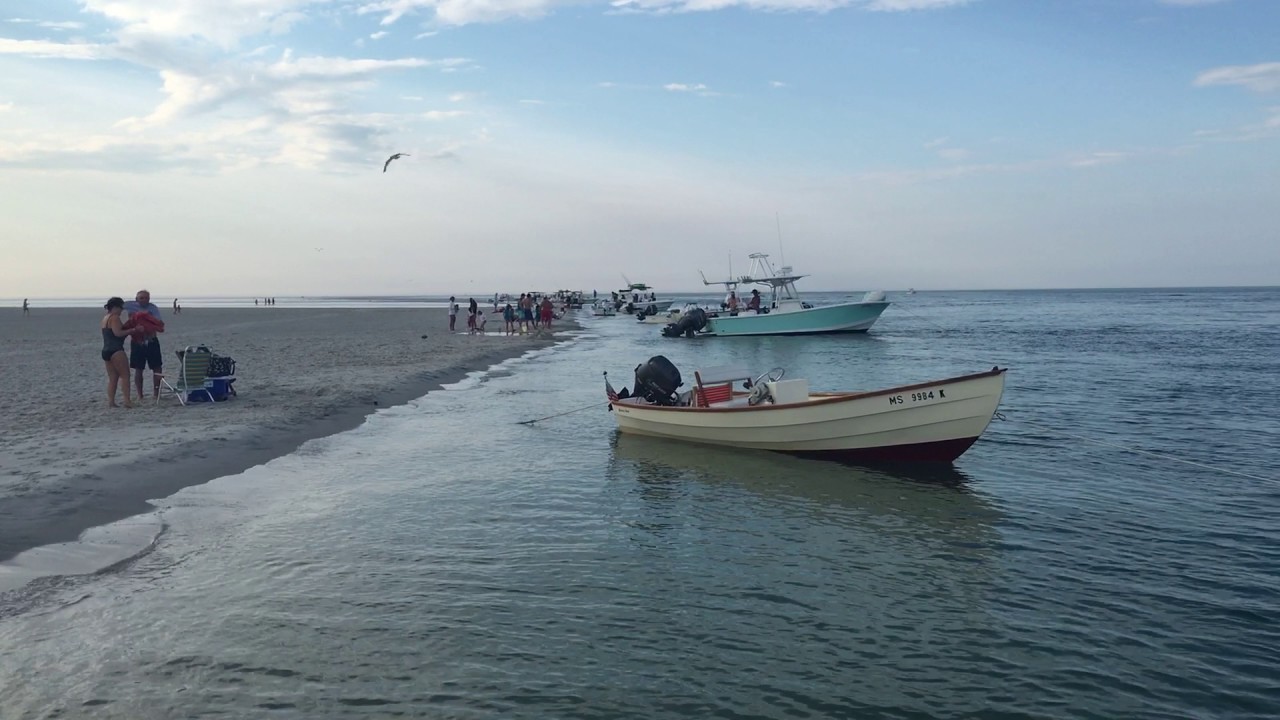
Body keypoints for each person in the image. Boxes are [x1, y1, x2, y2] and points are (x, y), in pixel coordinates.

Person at [124, 289, 166, 402]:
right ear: (136, 299)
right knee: (138, 369)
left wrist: (148, 320)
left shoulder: (152, 308)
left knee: (157, 368)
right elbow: (116, 308)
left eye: (146, 298)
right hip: (137, 342)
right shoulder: (130, 305)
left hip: (151, 340)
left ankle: (156, 394)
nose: (144, 300)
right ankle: (140, 395)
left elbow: (159, 323)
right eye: (141, 298)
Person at [100, 297, 134, 408]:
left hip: (106, 350)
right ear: (115, 307)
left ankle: (111, 401)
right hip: (116, 350)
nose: (121, 311)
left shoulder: (105, 318)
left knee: (113, 377)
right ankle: (127, 401)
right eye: (120, 308)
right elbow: (118, 333)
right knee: (125, 376)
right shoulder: (114, 318)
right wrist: (132, 330)